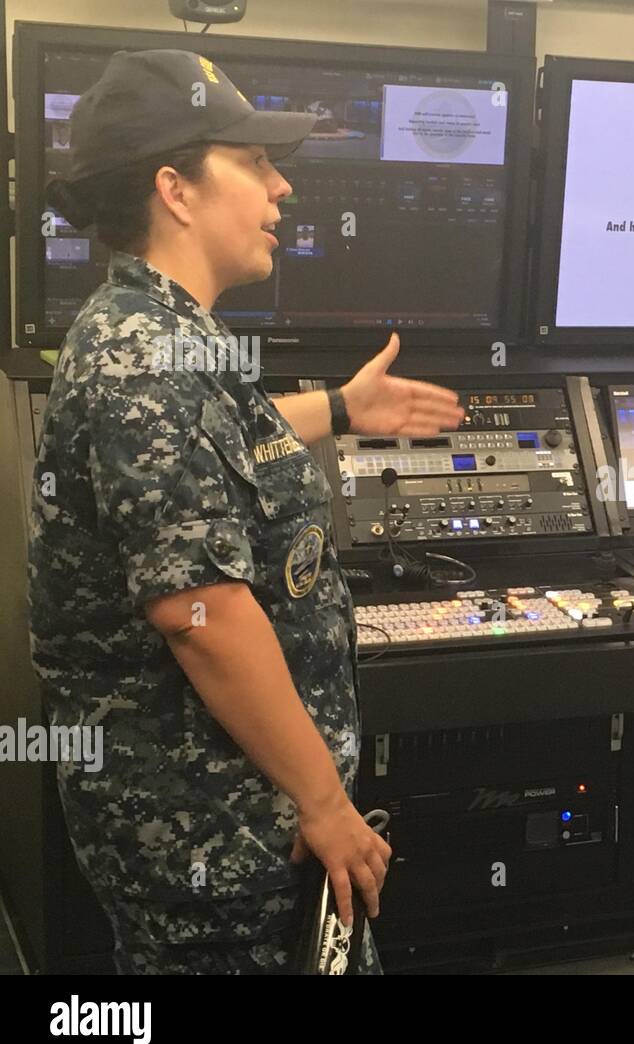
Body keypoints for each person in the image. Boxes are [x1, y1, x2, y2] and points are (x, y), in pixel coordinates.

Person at [27, 49, 465, 974]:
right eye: (254, 162)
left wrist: (343, 408)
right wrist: (326, 805)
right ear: (176, 188)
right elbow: (205, 618)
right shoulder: (141, 355)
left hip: (238, 822)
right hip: (211, 838)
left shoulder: (165, 330)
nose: (282, 185)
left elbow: (235, 438)